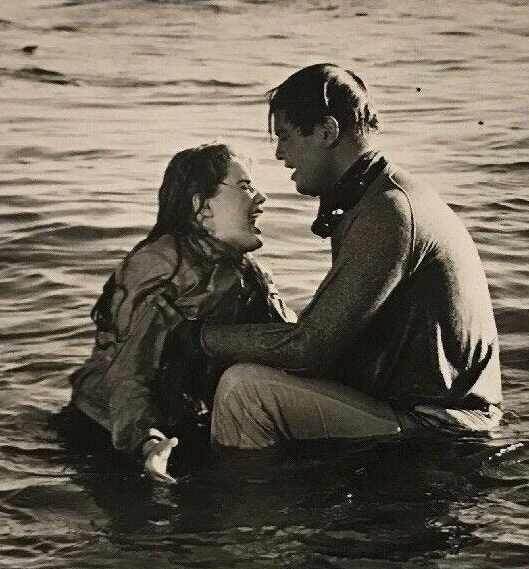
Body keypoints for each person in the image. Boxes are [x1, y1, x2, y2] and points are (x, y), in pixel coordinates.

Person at [199, 64, 502, 448]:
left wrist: (202, 338)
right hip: (425, 411)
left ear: (328, 131)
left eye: (287, 137)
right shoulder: (373, 197)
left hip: (443, 429)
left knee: (245, 391)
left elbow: (312, 348)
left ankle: (244, 505)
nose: (278, 153)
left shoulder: (388, 211)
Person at [69, 143, 290, 481]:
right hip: (110, 432)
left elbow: (288, 344)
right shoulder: (160, 266)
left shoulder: (247, 272)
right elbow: (128, 370)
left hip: (178, 426)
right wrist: (146, 443)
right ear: (201, 207)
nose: (260, 199)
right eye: (245, 187)